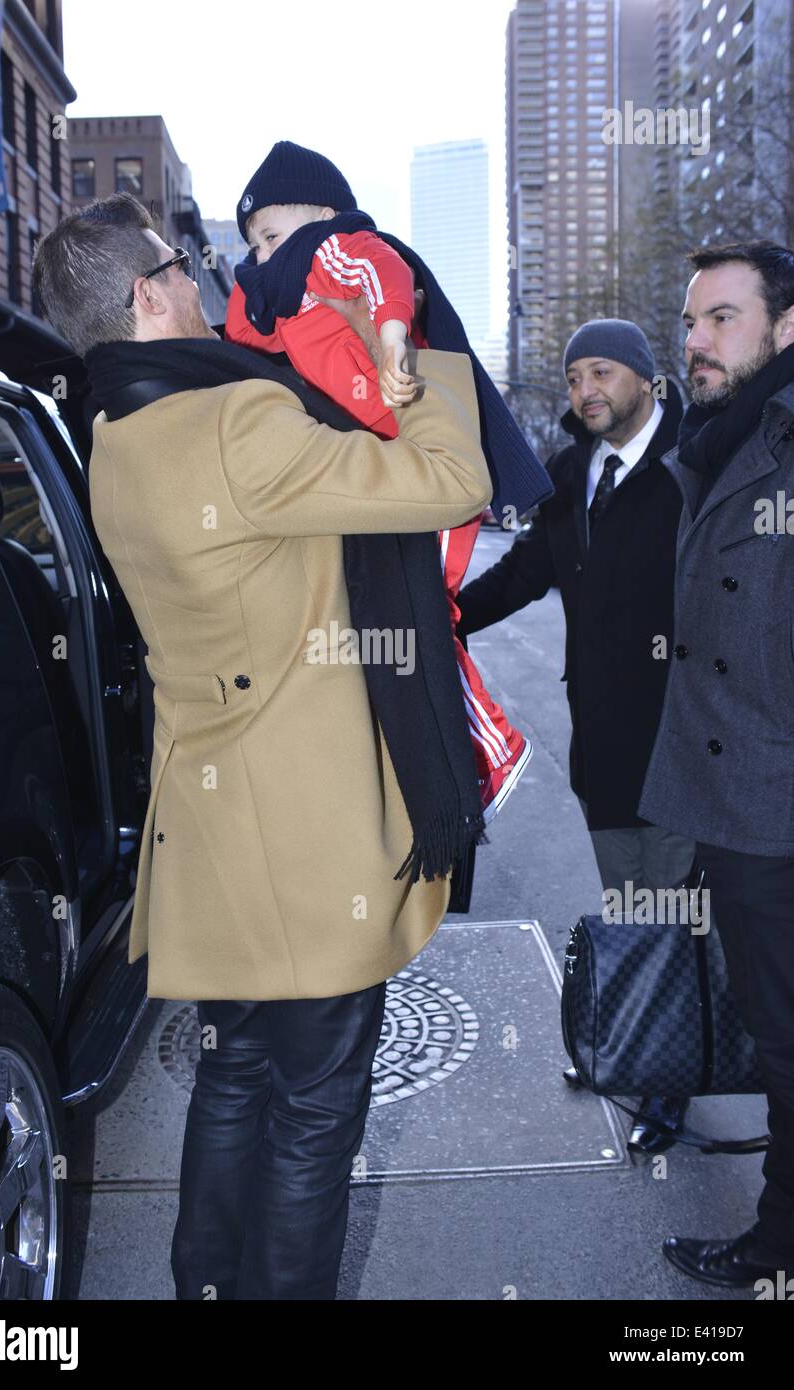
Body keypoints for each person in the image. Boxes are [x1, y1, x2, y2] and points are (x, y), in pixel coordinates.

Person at [32, 191, 494, 1300]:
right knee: (315, 1109)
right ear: (149, 295)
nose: (202, 279)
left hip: (213, 839)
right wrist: (419, 344)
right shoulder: (233, 421)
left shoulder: (115, 433)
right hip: (305, 840)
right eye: (182, 266)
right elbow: (452, 482)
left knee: (236, 1075)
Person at [224, 140, 552, 824]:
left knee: (429, 609)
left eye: (272, 235)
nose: (262, 255)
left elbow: (381, 271)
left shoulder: (331, 250)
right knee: (402, 610)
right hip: (383, 465)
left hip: (431, 453)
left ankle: (490, 749)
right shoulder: (269, 300)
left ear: (321, 216)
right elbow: (239, 354)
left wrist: (393, 335)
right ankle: (452, 756)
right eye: (254, 243)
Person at [455, 320, 695, 1155]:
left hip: (682, 739)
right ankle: (632, 1044)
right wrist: (439, 619)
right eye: (572, 378)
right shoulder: (568, 474)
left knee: (671, 910)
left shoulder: (693, 464)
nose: (584, 390)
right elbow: (525, 574)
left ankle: (668, 1076)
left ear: (643, 378)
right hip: (602, 741)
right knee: (628, 905)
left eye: (601, 372)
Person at [639, 241, 794, 1289]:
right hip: (733, 796)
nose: (694, 340)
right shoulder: (727, 435)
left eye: (722, 318)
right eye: (690, 320)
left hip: (772, 806)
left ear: (785, 327)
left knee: (784, 1042)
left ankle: (779, 1245)